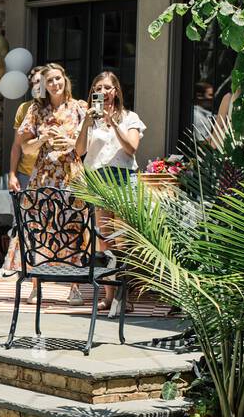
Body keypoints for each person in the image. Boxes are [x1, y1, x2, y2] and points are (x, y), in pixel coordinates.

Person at [8, 62, 87, 302]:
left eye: (58, 79)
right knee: (39, 229)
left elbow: (84, 149)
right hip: (43, 175)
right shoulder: (35, 109)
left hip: (71, 174)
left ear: (65, 80)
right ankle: (36, 285)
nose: (54, 84)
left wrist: (70, 143)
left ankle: (74, 287)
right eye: (49, 81)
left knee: (73, 228)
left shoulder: (79, 108)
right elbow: (24, 147)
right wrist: (42, 138)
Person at [75, 70, 145, 314]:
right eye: (98, 87)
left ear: (115, 91)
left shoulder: (129, 117)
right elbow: (79, 150)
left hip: (123, 181)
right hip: (98, 180)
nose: (102, 92)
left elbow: (131, 148)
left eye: (107, 87)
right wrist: (86, 121)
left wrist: (113, 122)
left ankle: (124, 296)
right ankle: (109, 295)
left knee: (125, 243)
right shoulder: (89, 120)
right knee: (104, 242)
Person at [0, 65, 49, 277]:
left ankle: (45, 265)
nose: (38, 86)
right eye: (35, 83)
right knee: (21, 221)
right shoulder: (25, 109)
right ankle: (16, 265)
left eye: (42, 82)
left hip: (49, 173)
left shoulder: (58, 108)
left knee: (47, 222)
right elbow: (16, 145)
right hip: (26, 172)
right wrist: (11, 174)